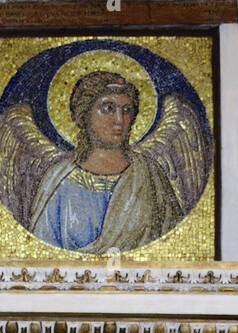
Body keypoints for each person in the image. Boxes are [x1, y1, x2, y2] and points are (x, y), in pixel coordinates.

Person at [30, 70, 183, 252]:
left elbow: (172, 244)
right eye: (108, 109)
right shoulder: (58, 182)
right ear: (84, 115)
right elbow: (41, 254)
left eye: (126, 110)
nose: (119, 120)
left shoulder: (149, 174)